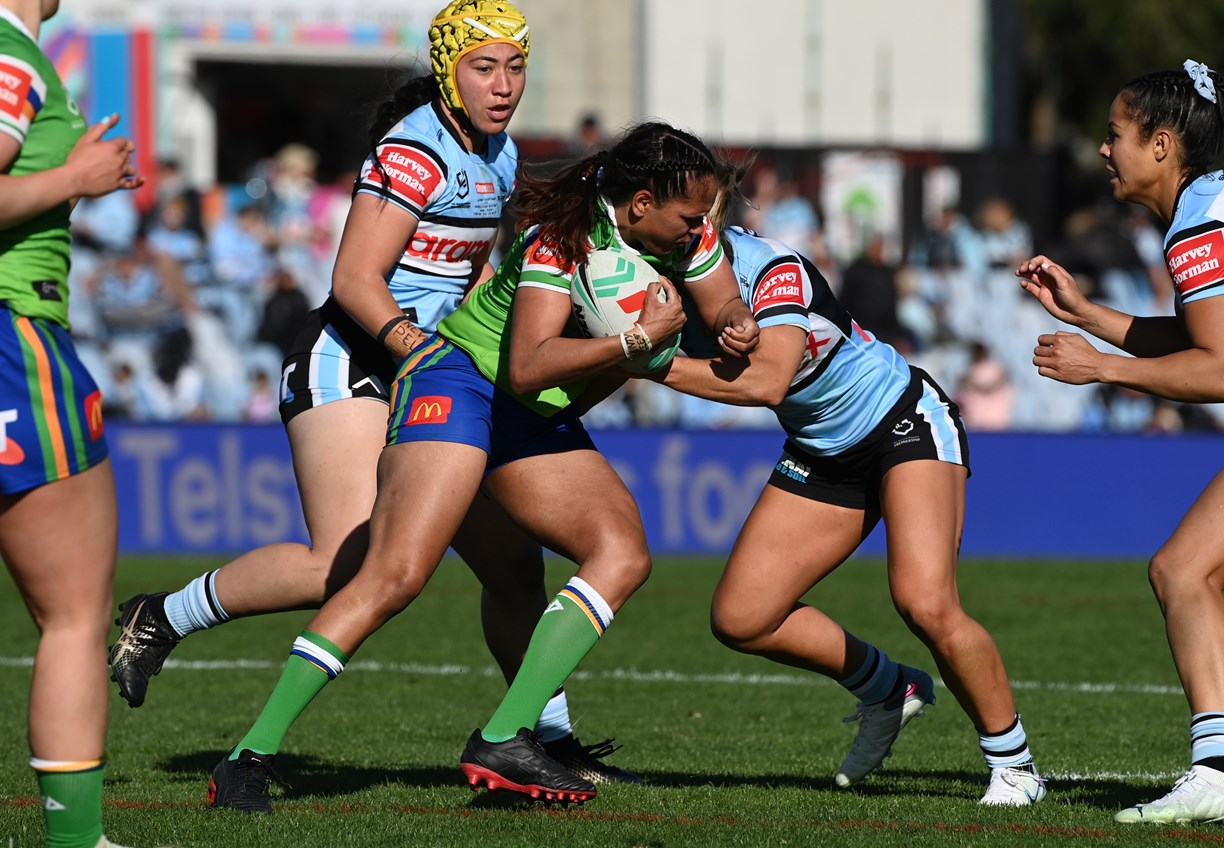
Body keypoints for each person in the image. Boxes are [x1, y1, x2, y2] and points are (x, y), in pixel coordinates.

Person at [108, 0, 636, 797]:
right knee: (343, 565)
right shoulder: (414, 150)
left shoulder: (499, 153)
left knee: (513, 568)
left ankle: (546, 740)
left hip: (435, 370)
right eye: (484, 67)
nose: (503, 85)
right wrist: (413, 346)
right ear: (449, 71)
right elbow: (354, 278)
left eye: (515, 67)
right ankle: (162, 618)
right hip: (354, 360)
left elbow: (465, 277)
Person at [206, 119, 759, 811]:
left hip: (530, 412)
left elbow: (721, 298)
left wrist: (735, 319)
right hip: (460, 382)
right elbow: (527, 366)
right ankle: (247, 757)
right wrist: (636, 341)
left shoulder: (687, 235)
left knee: (621, 555)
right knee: (395, 575)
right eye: (690, 216)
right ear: (641, 203)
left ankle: (505, 738)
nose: (702, 228)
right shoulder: (562, 241)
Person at [635, 171, 1047, 806]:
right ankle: (888, 689)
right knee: (741, 617)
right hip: (822, 451)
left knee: (925, 602)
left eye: (698, 221)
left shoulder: (772, 268)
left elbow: (769, 382)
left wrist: (647, 360)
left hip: (901, 420)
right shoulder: (651, 271)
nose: (691, 233)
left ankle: (1015, 766)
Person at [1016, 59, 1224, 824]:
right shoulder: (1205, 205)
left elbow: (1218, 367)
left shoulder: (1201, 220)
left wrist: (1100, 366)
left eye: (1116, 135)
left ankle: (1217, 772)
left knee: (1183, 570)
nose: (1104, 150)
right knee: (1189, 572)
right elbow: (1203, 338)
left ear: (1162, 145)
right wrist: (1089, 316)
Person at [0, 0, 144, 844]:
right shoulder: (10, 51)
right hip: (13, 341)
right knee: (76, 613)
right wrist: (73, 179)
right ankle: (75, 840)